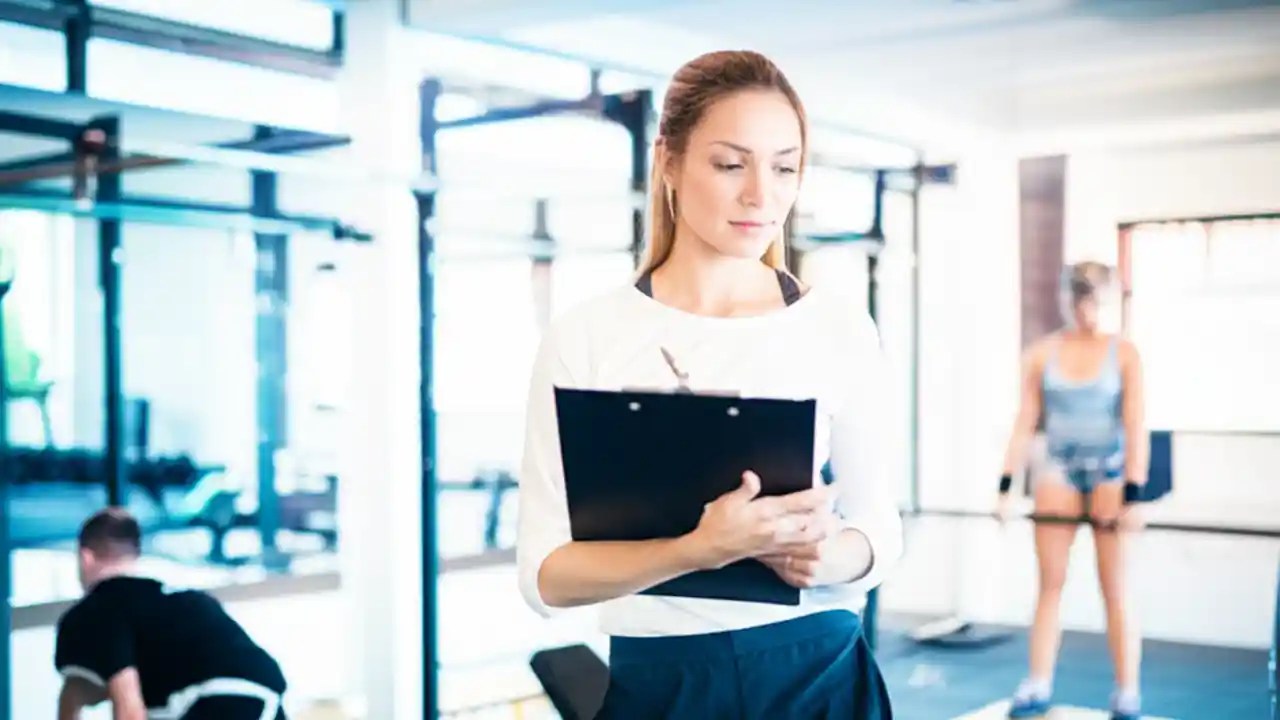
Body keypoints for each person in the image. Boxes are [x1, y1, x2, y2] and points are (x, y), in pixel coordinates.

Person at [517, 49, 903, 719]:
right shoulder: (588, 335)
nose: (762, 194)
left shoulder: (837, 326)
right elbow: (546, 575)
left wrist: (824, 559)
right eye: (731, 164)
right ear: (668, 160)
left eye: (784, 167)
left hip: (819, 672)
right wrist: (696, 550)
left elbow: (879, 533)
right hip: (664, 684)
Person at [997, 261, 1148, 720]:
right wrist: (1004, 486)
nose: (1087, 309)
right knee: (1050, 585)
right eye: (1079, 299)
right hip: (1058, 472)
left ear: (1107, 300)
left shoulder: (1124, 353)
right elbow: (1024, 423)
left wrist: (1134, 495)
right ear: (1067, 300)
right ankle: (1037, 682)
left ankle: (1127, 692)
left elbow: (1135, 423)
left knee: (1115, 588)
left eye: (1095, 300)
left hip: (1110, 473)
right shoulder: (1042, 354)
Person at [53, 508, 288, 720]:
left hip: (219, 702)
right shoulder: (166, 602)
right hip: (264, 696)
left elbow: (129, 710)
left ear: (85, 558)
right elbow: (80, 690)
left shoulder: (99, 609)